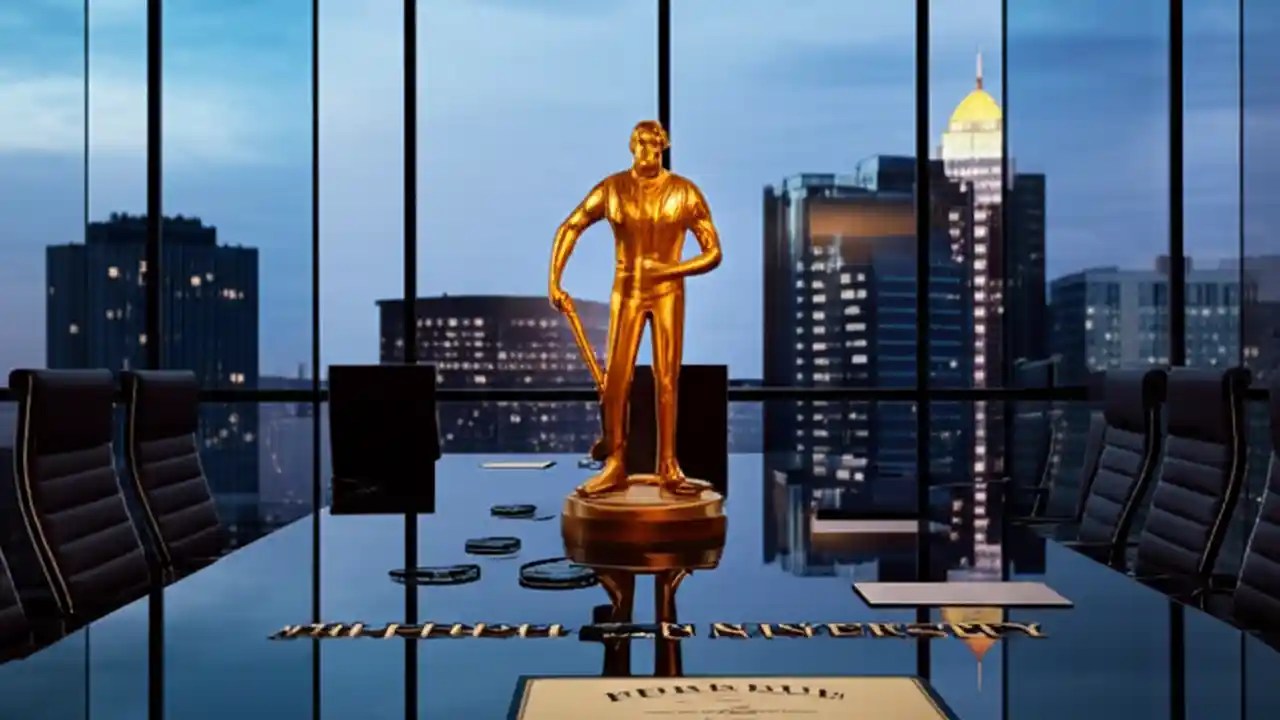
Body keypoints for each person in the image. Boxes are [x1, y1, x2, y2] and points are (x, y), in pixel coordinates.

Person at [548, 120, 722, 497]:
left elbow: (713, 252)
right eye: (641, 144)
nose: (648, 151)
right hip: (626, 291)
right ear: (632, 147)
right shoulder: (613, 189)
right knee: (616, 379)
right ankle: (615, 464)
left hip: (668, 292)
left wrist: (669, 270)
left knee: (667, 379)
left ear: (663, 148)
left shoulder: (684, 192)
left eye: (654, 145)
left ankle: (669, 465)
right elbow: (570, 226)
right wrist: (554, 280)